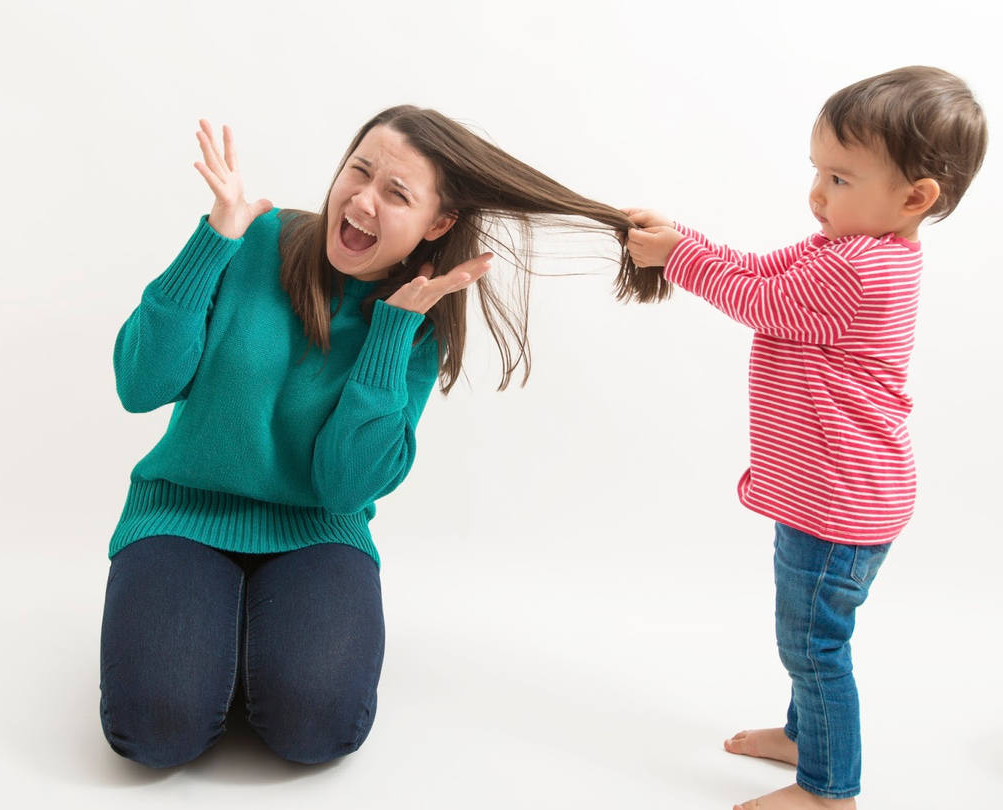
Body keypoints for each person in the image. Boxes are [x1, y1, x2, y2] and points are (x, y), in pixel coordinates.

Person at [100, 105, 664, 769]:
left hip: (316, 530)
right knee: (154, 732)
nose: (362, 201)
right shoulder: (253, 241)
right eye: (358, 172)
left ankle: (242, 647)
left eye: (397, 194)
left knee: (316, 729)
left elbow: (344, 485)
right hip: (181, 515)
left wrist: (388, 338)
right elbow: (139, 386)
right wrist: (213, 240)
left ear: (439, 223)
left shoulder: (417, 323)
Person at [624, 66, 988, 809]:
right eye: (818, 172)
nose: (818, 194)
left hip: (841, 504)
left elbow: (759, 300)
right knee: (810, 637)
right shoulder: (844, 249)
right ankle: (804, 735)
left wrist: (678, 260)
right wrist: (680, 238)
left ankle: (828, 790)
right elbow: (759, 269)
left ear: (915, 198)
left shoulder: (862, 274)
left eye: (841, 178)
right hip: (831, 495)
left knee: (814, 648)